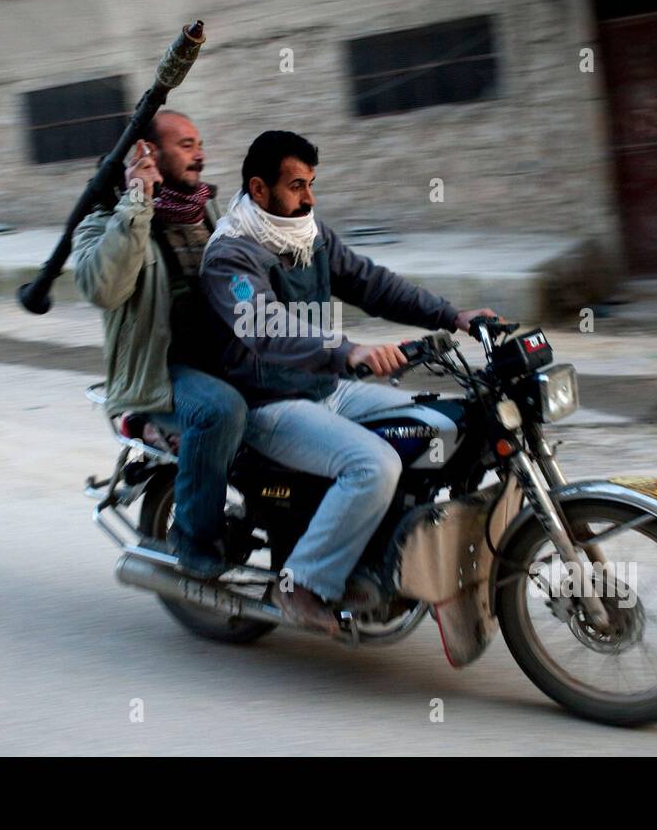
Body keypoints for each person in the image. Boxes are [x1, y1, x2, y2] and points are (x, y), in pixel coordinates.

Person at [201, 130, 497, 634]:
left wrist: (454, 316)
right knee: (373, 464)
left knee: (435, 426)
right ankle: (304, 583)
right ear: (258, 188)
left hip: (325, 388)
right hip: (268, 403)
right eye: (297, 185)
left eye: (311, 184)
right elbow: (265, 327)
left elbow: (372, 284)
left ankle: (388, 552)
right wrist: (348, 351)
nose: (309, 197)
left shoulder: (308, 236)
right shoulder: (231, 255)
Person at [72, 111, 245, 579]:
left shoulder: (201, 211)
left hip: (219, 358)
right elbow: (102, 287)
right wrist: (137, 201)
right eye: (187, 145)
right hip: (161, 374)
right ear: (145, 154)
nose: (201, 155)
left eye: (200, 144)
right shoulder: (103, 225)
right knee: (219, 410)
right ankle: (193, 538)